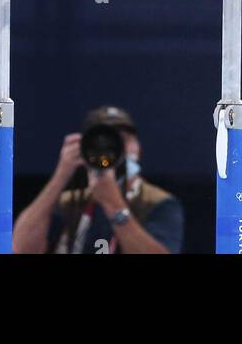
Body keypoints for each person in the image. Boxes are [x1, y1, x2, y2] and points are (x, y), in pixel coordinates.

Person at [13, 105, 183, 255]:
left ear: (138, 147)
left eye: (124, 140)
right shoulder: (70, 202)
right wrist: (61, 176)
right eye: (102, 143)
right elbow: (20, 249)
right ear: (84, 148)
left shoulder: (158, 203)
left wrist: (114, 205)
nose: (115, 150)